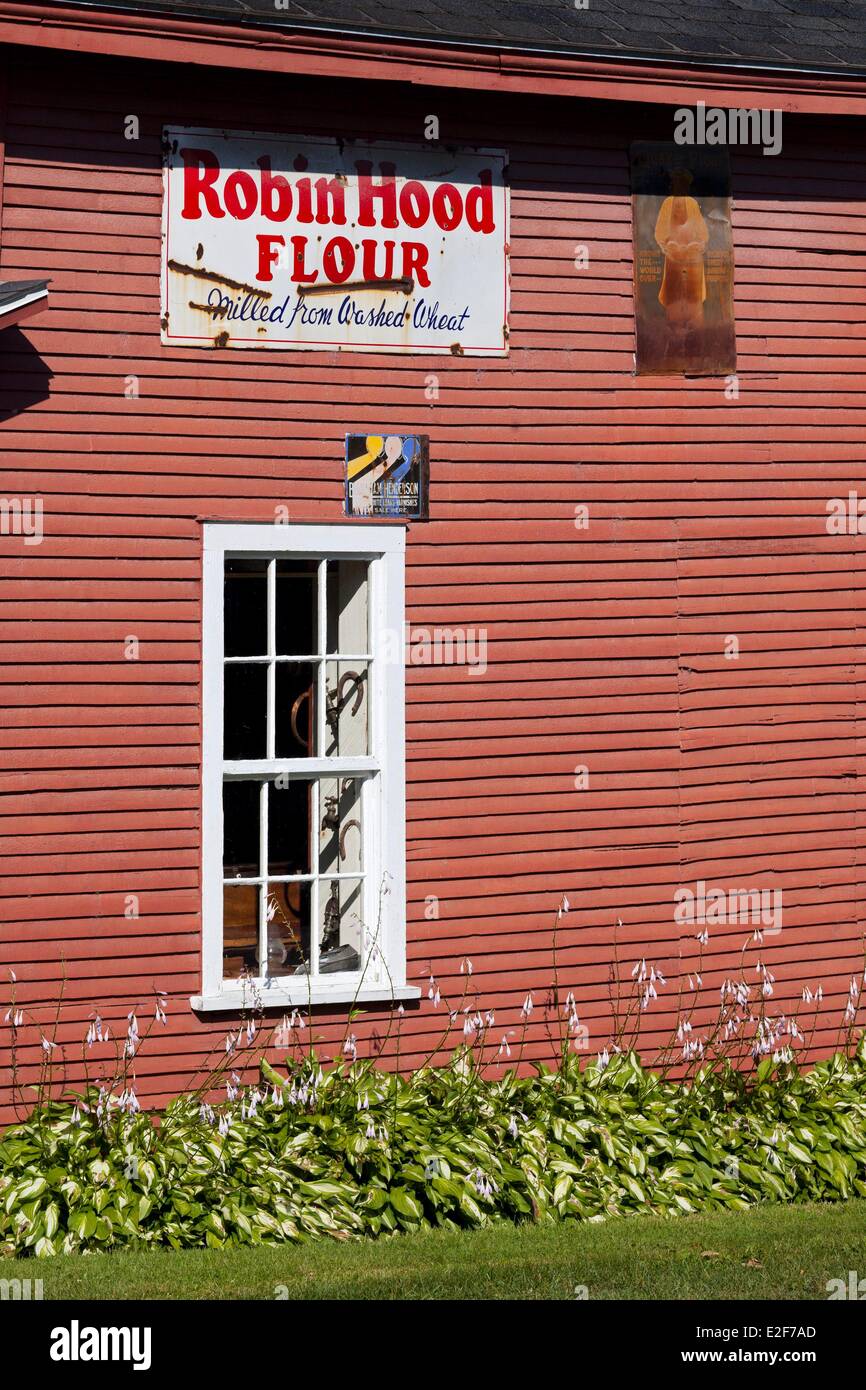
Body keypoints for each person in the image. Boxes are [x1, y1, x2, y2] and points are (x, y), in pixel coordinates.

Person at [654, 168, 709, 329]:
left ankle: (695, 327)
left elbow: (703, 234)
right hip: (673, 257)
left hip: (693, 259)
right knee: (674, 297)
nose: (679, 187)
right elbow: (660, 232)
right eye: (676, 183)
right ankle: (673, 326)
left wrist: (695, 246)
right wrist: (670, 246)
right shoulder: (667, 203)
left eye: (683, 184)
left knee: (693, 298)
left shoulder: (692, 203)